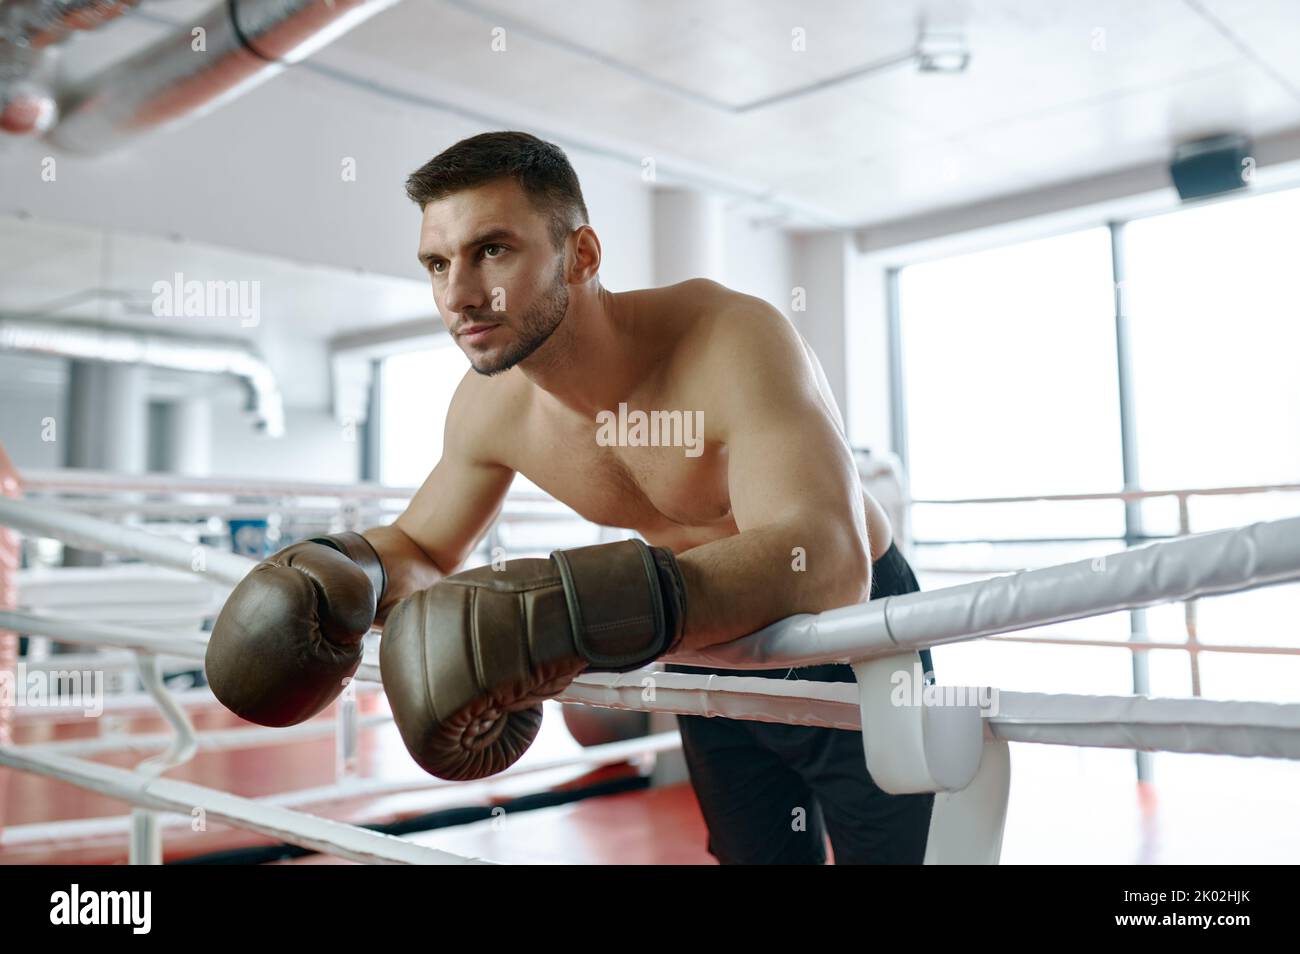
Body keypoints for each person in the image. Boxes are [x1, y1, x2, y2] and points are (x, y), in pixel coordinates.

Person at [206, 130, 935, 864]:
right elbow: (424, 549)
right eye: (437, 262)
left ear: (580, 255)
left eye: (492, 250)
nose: (458, 295)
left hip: (853, 651)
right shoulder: (491, 408)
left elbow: (832, 563)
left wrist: (569, 614)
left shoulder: (731, 341)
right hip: (701, 651)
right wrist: (342, 575)